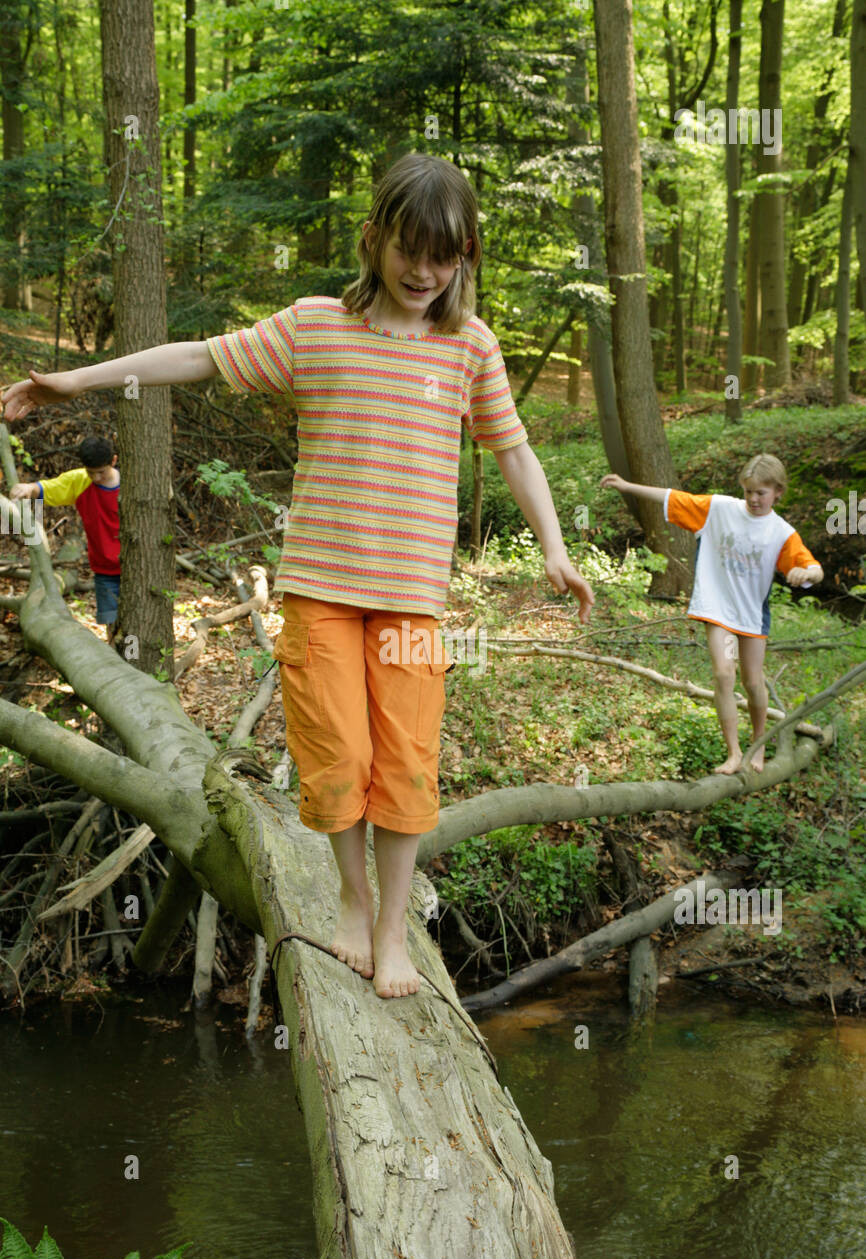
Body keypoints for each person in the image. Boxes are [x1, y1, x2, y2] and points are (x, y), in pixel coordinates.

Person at [1, 152, 595, 998]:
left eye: (445, 255)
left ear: (465, 257)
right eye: (408, 249)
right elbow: (200, 357)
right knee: (336, 758)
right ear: (373, 239)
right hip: (320, 589)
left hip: (414, 602)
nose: (424, 271)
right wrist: (79, 381)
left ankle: (392, 932)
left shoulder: (469, 346)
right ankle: (353, 904)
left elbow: (515, 448)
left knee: (407, 768)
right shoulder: (318, 327)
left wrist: (556, 547)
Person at [601, 454, 822, 774]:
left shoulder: (781, 532)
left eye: (761, 493)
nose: (753, 499)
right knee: (723, 674)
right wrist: (626, 486)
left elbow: (815, 569)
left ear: (778, 492)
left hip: (750, 614)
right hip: (716, 607)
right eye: (748, 491)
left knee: (753, 682)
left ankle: (757, 747)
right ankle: (733, 754)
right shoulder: (719, 509)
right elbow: (671, 497)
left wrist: (808, 574)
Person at [8, 436, 121, 643]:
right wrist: (30, 488)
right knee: (112, 621)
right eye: (90, 472)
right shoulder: (80, 481)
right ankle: (121, 658)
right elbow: (52, 488)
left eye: (101, 472)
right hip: (105, 569)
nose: (95, 478)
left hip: (134, 567)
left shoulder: (131, 485)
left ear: (113, 461)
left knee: (138, 621)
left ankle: (137, 661)